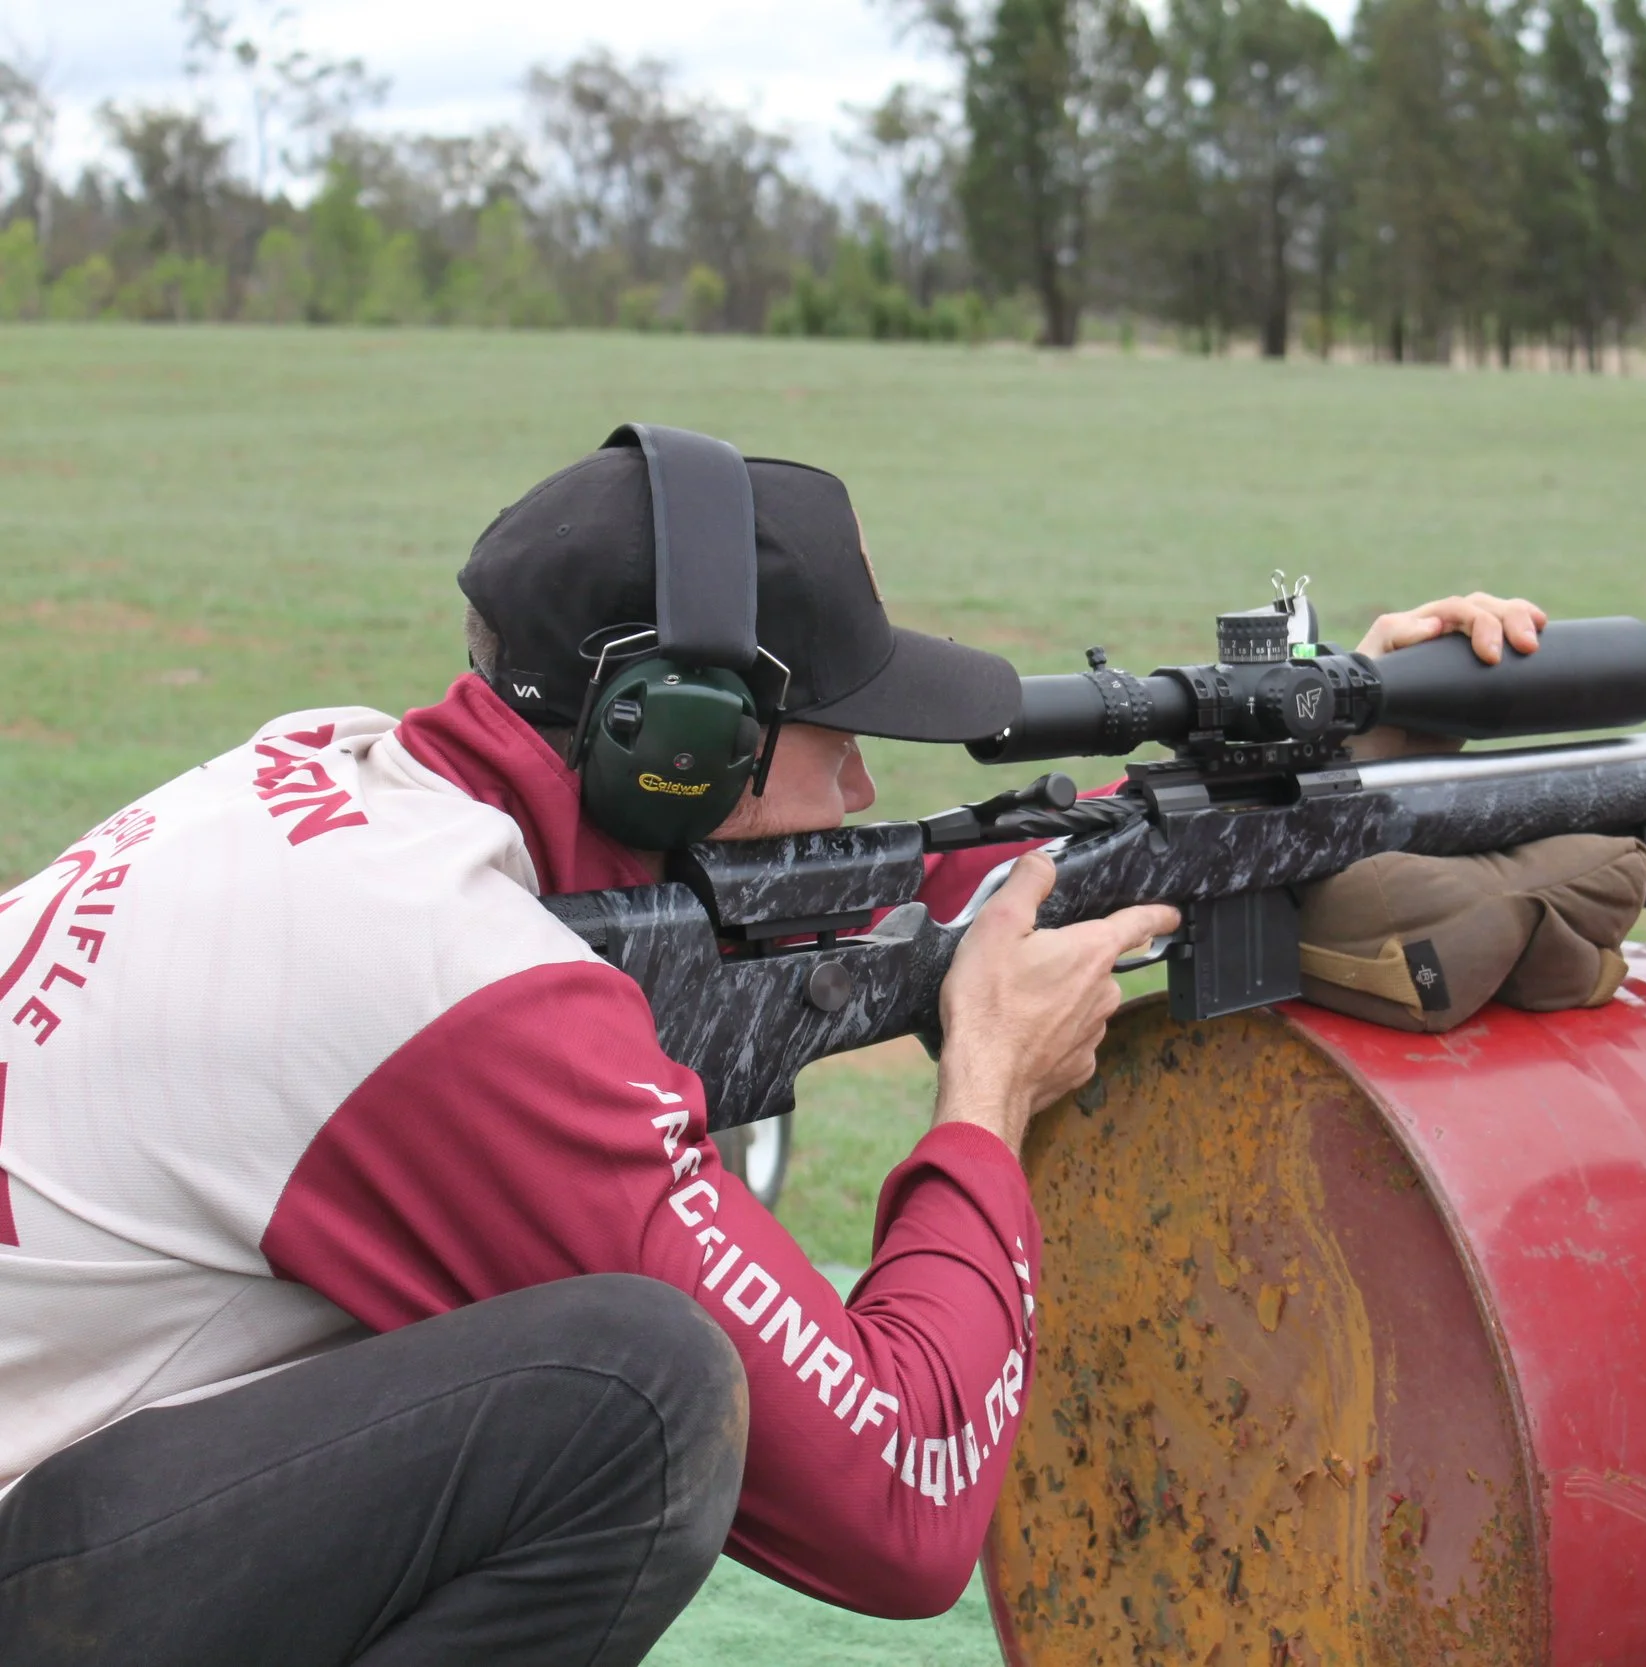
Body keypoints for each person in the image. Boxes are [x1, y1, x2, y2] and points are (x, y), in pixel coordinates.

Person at [0, 428, 1547, 1666]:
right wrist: (985, 1099)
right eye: (833, 734)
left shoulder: (328, 777)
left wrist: (1339, 757)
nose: (868, 780)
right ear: (678, 747)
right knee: (637, 1395)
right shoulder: (461, 990)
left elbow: (922, 883)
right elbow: (901, 1494)